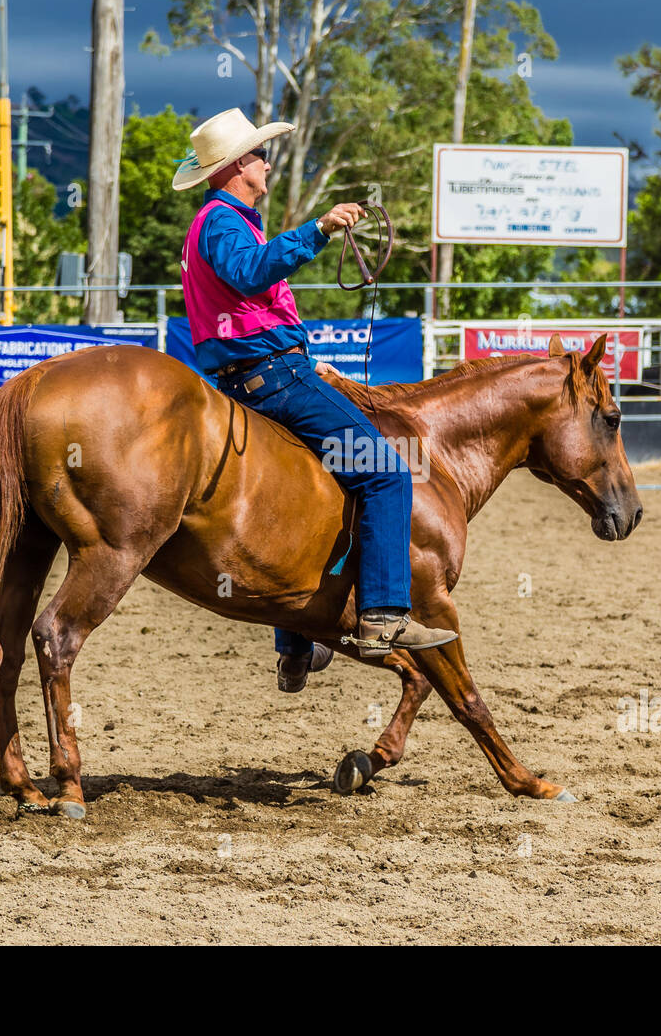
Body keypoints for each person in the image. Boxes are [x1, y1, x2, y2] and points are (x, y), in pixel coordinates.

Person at [172, 107, 458, 693]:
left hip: (261, 374)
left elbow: (249, 305)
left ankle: (295, 644)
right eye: (258, 155)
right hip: (271, 379)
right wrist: (319, 230)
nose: (267, 163)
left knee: (306, 492)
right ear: (235, 169)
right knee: (384, 472)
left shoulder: (223, 220)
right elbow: (252, 274)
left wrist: (307, 359)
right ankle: (382, 615)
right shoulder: (223, 221)